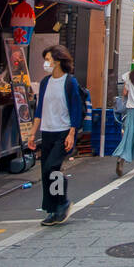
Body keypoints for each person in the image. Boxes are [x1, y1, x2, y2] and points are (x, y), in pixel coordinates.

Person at [33, 45, 83, 226]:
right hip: (47, 131)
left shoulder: (70, 82)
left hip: (63, 131)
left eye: (48, 59)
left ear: (58, 61)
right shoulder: (45, 82)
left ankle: (62, 202)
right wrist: (32, 134)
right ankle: (53, 210)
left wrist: (72, 133)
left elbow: (76, 109)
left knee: (51, 168)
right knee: (47, 171)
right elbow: (39, 109)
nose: (45, 63)